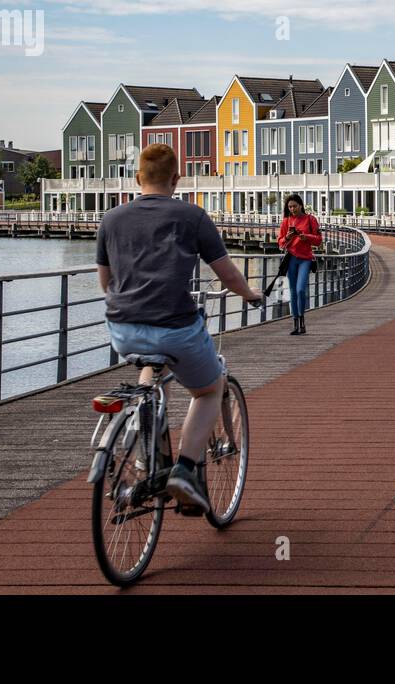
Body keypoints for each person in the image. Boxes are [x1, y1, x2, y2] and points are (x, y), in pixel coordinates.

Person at [96, 143, 262, 515]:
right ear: (177, 179)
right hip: (175, 327)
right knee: (208, 389)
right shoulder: (192, 216)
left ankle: (144, 457)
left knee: (152, 372)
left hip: (122, 328)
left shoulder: (111, 219)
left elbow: (105, 283)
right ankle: (185, 471)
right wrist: (249, 294)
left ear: (137, 178)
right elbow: (227, 272)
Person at [277, 194, 322, 336]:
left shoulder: (310, 219)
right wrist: (287, 237)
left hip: (305, 259)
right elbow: (280, 243)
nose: (292, 209)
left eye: (294, 206)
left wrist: (306, 237)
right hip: (291, 259)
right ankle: (296, 323)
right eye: (290, 207)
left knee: (300, 290)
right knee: (293, 291)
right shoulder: (286, 221)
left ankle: (302, 321)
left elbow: (319, 240)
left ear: (301, 205)